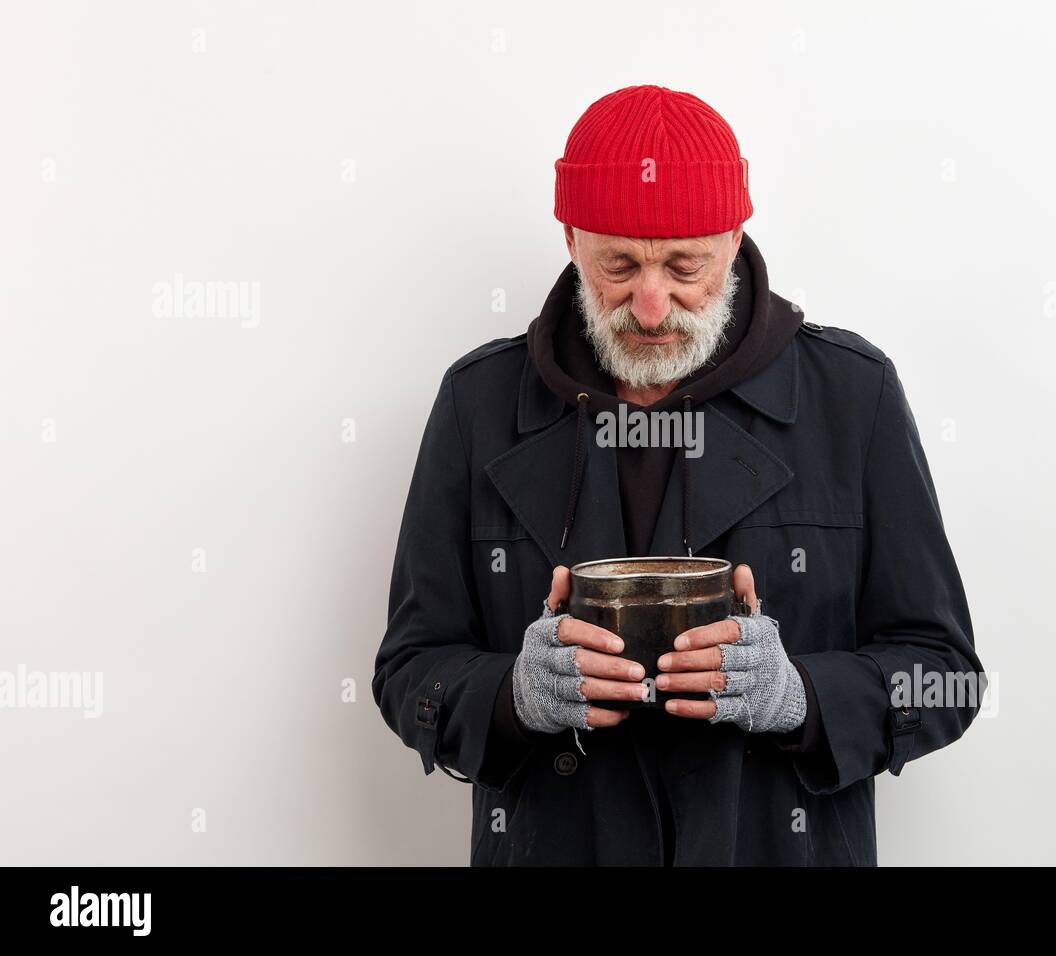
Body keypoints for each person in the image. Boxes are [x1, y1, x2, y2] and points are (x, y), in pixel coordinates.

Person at [372, 84, 984, 866]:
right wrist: (512, 696)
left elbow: (947, 674)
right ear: (570, 239)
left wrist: (799, 696)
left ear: (733, 239)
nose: (653, 306)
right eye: (619, 265)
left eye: (684, 264)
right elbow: (409, 668)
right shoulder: (477, 402)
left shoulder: (852, 395)